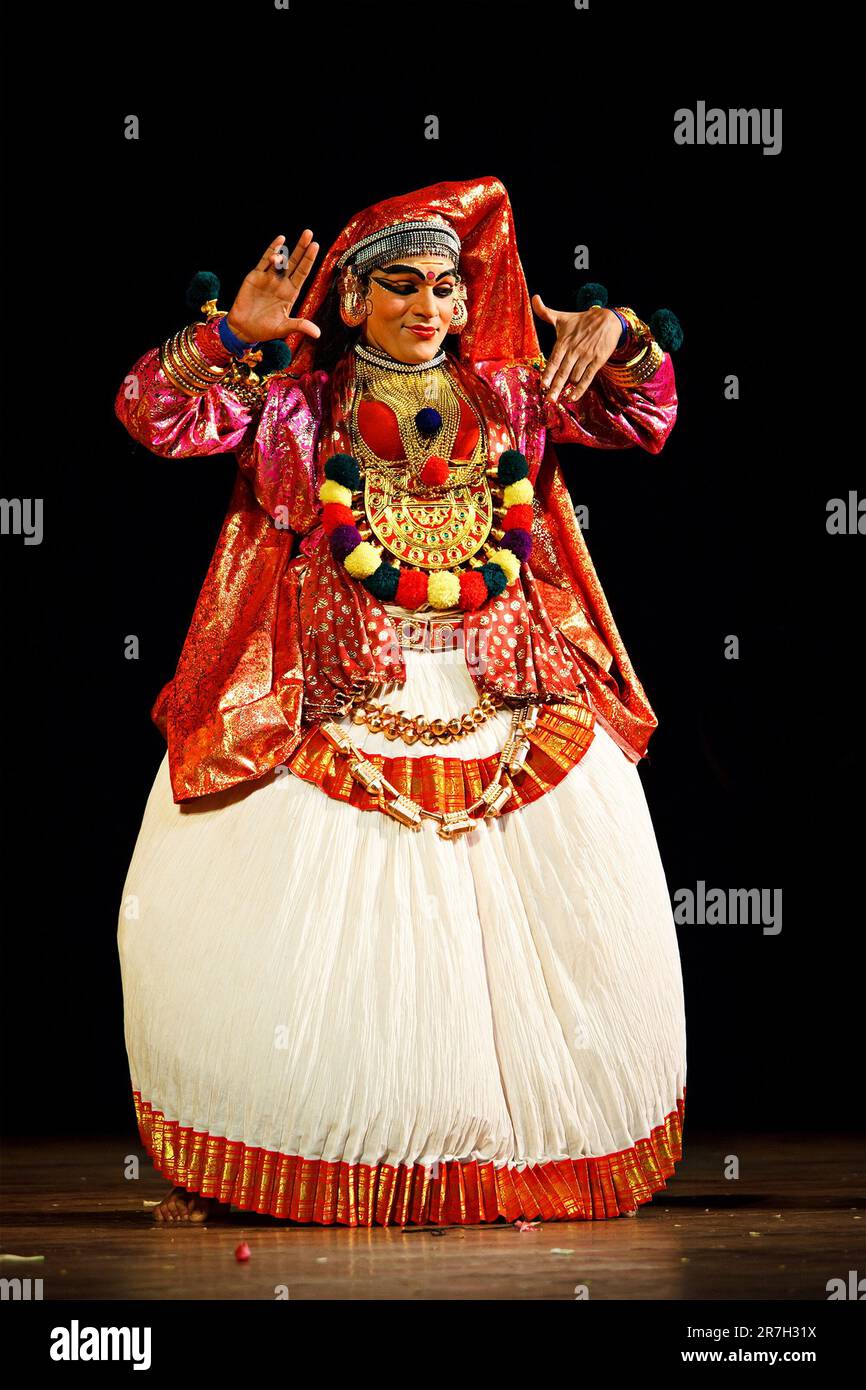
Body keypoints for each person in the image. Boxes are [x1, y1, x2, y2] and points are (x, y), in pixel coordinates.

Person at [115, 176, 687, 1227]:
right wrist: (228, 340)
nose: (429, 305)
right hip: (338, 690)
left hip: (503, 684)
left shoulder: (510, 396)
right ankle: (344, 1152)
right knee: (323, 935)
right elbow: (155, 416)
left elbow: (647, 414)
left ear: (467, 303)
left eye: (445, 287)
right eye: (401, 286)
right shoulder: (299, 406)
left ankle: (504, 1153)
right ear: (351, 300)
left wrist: (622, 337)